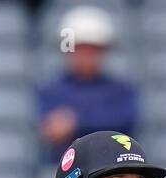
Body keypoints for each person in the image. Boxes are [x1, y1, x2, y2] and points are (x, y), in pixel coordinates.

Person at [36, 7, 137, 164]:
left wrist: (75, 122)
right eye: (78, 49)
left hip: (110, 172)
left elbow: (125, 122)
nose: (85, 56)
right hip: (62, 174)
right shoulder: (51, 90)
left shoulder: (121, 91)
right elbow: (48, 130)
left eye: (92, 50)